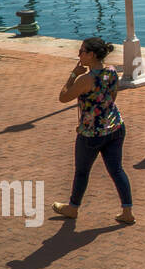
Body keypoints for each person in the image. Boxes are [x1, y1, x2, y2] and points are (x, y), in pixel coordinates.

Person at [51, 38, 134, 225]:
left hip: (91, 134)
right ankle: (127, 210)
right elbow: (113, 96)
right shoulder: (111, 72)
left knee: (82, 171)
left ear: (92, 55)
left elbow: (63, 97)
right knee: (117, 170)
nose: (79, 54)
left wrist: (73, 74)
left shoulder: (85, 79)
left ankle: (73, 207)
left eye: (82, 51)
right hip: (115, 127)